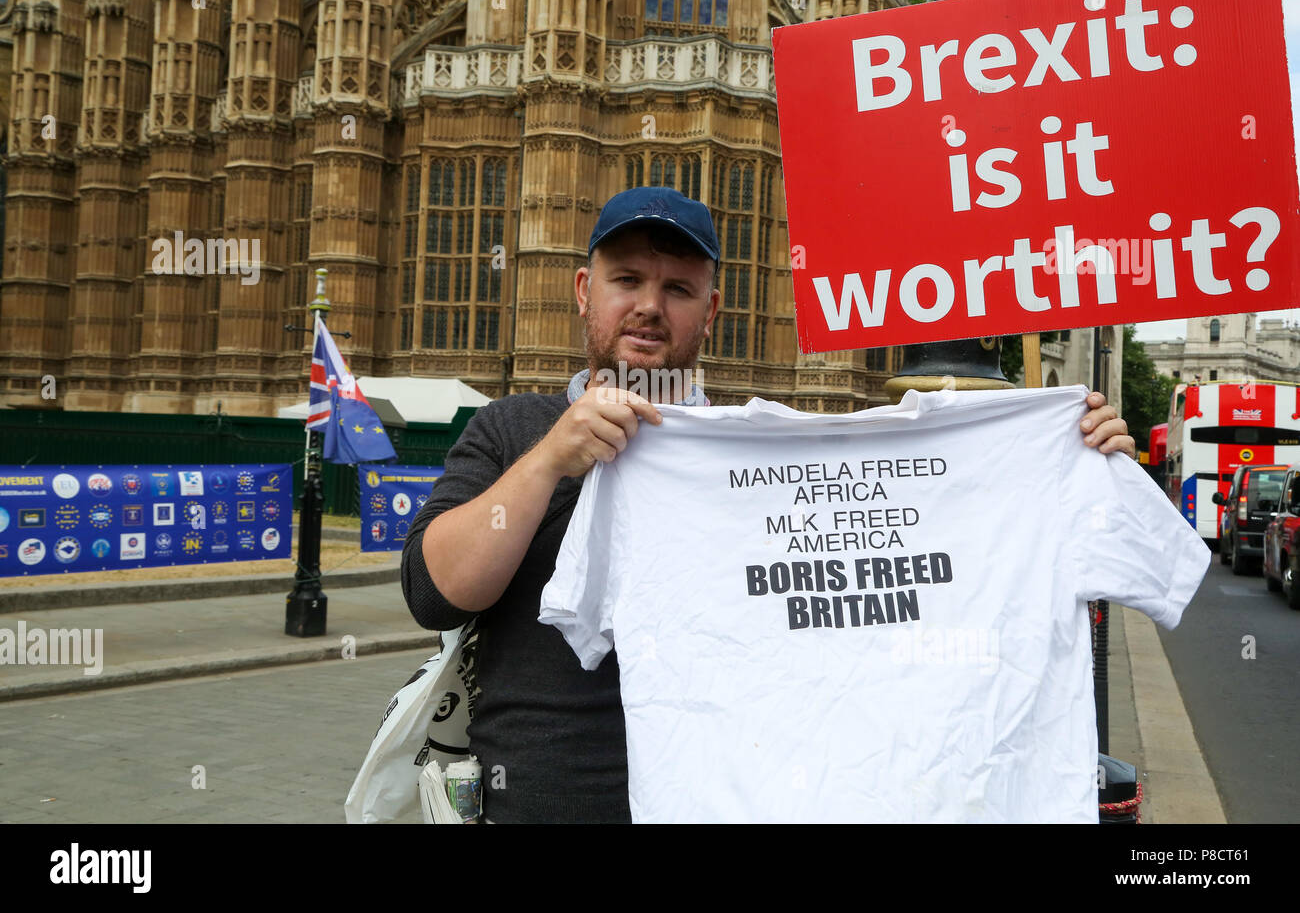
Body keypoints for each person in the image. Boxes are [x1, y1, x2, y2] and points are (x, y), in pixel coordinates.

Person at [400, 186, 1136, 823]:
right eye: (626, 280)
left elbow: (931, 571)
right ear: (583, 290)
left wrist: (1067, 466)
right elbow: (438, 594)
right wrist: (552, 459)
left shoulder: (769, 459)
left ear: (711, 308)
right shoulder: (513, 431)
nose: (649, 307)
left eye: (678, 289)